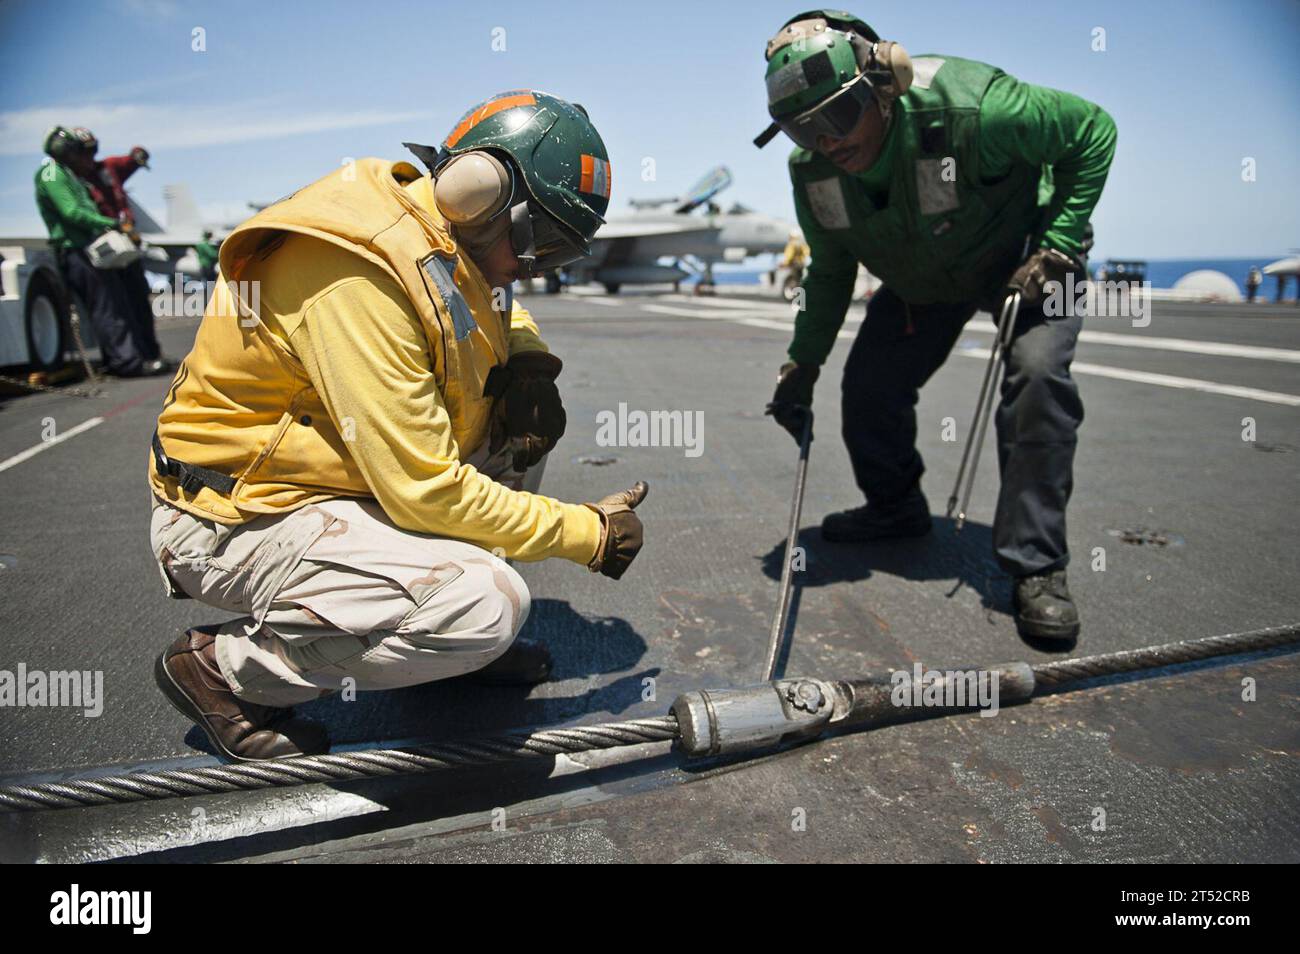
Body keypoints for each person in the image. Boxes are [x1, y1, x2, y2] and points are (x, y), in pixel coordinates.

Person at [149, 91, 647, 761]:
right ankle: (227, 668)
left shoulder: (452, 237)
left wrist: (528, 363)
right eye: (537, 241)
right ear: (480, 190)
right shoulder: (357, 269)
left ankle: (450, 653)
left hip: (327, 479)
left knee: (515, 433)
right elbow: (426, 490)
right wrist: (585, 532)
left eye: (558, 253)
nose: (533, 266)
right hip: (237, 514)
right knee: (483, 605)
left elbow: (498, 302)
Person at [757, 11, 1116, 642]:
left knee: (1037, 380)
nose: (828, 143)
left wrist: (1057, 245)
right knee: (869, 386)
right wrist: (802, 363)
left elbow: (1092, 130)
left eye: (838, 118)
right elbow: (832, 268)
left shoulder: (979, 109)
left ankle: (1037, 566)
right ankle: (896, 507)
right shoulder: (812, 171)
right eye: (801, 129)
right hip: (923, 280)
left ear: (883, 84)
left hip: (1024, 262)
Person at [34, 126, 152, 377]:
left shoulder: (67, 174)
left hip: (84, 250)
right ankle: (126, 363)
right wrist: (111, 223)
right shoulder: (53, 175)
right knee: (107, 308)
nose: (84, 158)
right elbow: (72, 212)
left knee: (112, 305)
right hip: (75, 251)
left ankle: (123, 359)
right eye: (77, 152)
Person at [72, 129, 168, 372]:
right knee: (114, 308)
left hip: (125, 246)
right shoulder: (74, 181)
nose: (87, 158)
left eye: (90, 153)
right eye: (83, 153)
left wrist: (138, 154)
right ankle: (128, 359)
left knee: (138, 302)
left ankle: (150, 353)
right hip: (103, 251)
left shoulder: (108, 167)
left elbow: (131, 159)